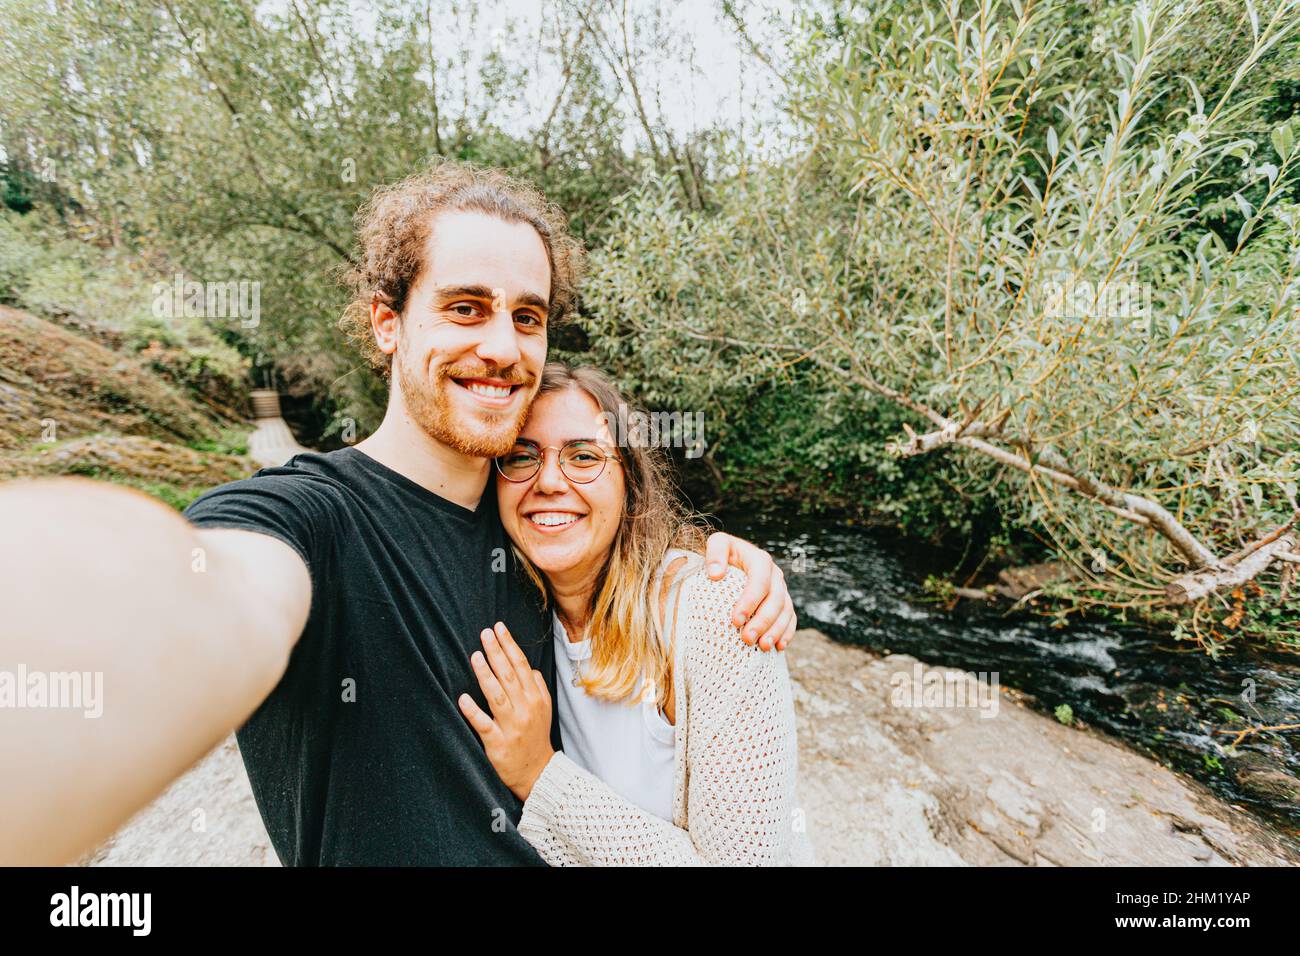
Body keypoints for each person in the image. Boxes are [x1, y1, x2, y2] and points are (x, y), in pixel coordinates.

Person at [0, 161, 796, 866]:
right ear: (387, 321)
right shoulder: (313, 518)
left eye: (528, 317)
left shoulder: (530, 525)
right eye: (464, 307)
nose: (501, 345)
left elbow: (618, 543)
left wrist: (715, 561)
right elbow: (208, 586)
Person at [459, 362, 814, 864]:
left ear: (630, 481)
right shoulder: (511, 605)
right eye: (522, 457)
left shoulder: (716, 614)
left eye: (583, 457)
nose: (550, 482)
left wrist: (541, 775)